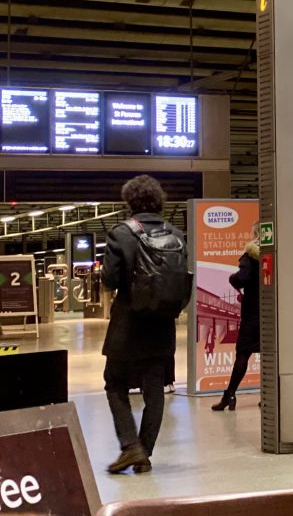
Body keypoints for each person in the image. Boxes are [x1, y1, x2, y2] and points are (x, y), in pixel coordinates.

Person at [101, 175, 183, 475]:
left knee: (114, 383)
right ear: (158, 200)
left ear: (130, 202)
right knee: (155, 392)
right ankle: (144, 452)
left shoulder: (121, 234)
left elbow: (110, 279)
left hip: (128, 325)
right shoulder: (176, 233)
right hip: (162, 326)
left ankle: (130, 446)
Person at [212, 235, 260, 412]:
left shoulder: (250, 256)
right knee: (273, 356)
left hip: (253, 313)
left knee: (243, 354)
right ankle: (270, 396)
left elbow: (241, 278)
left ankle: (229, 396)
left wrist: (232, 278)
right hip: (273, 310)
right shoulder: (277, 253)